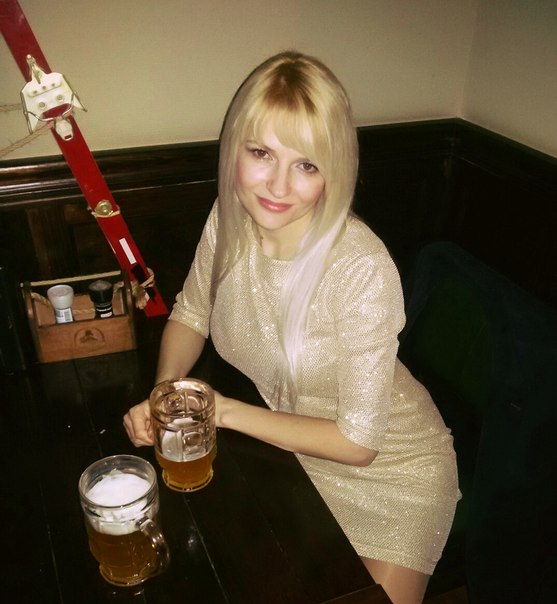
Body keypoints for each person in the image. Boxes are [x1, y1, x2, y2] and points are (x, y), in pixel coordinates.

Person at [124, 51, 460, 604]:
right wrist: (167, 397)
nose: (278, 185)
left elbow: (360, 443)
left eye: (307, 164)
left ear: (334, 171)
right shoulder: (228, 217)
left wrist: (219, 411)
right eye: (261, 153)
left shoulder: (360, 266)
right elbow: (190, 313)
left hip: (395, 471)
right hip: (289, 452)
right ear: (234, 148)